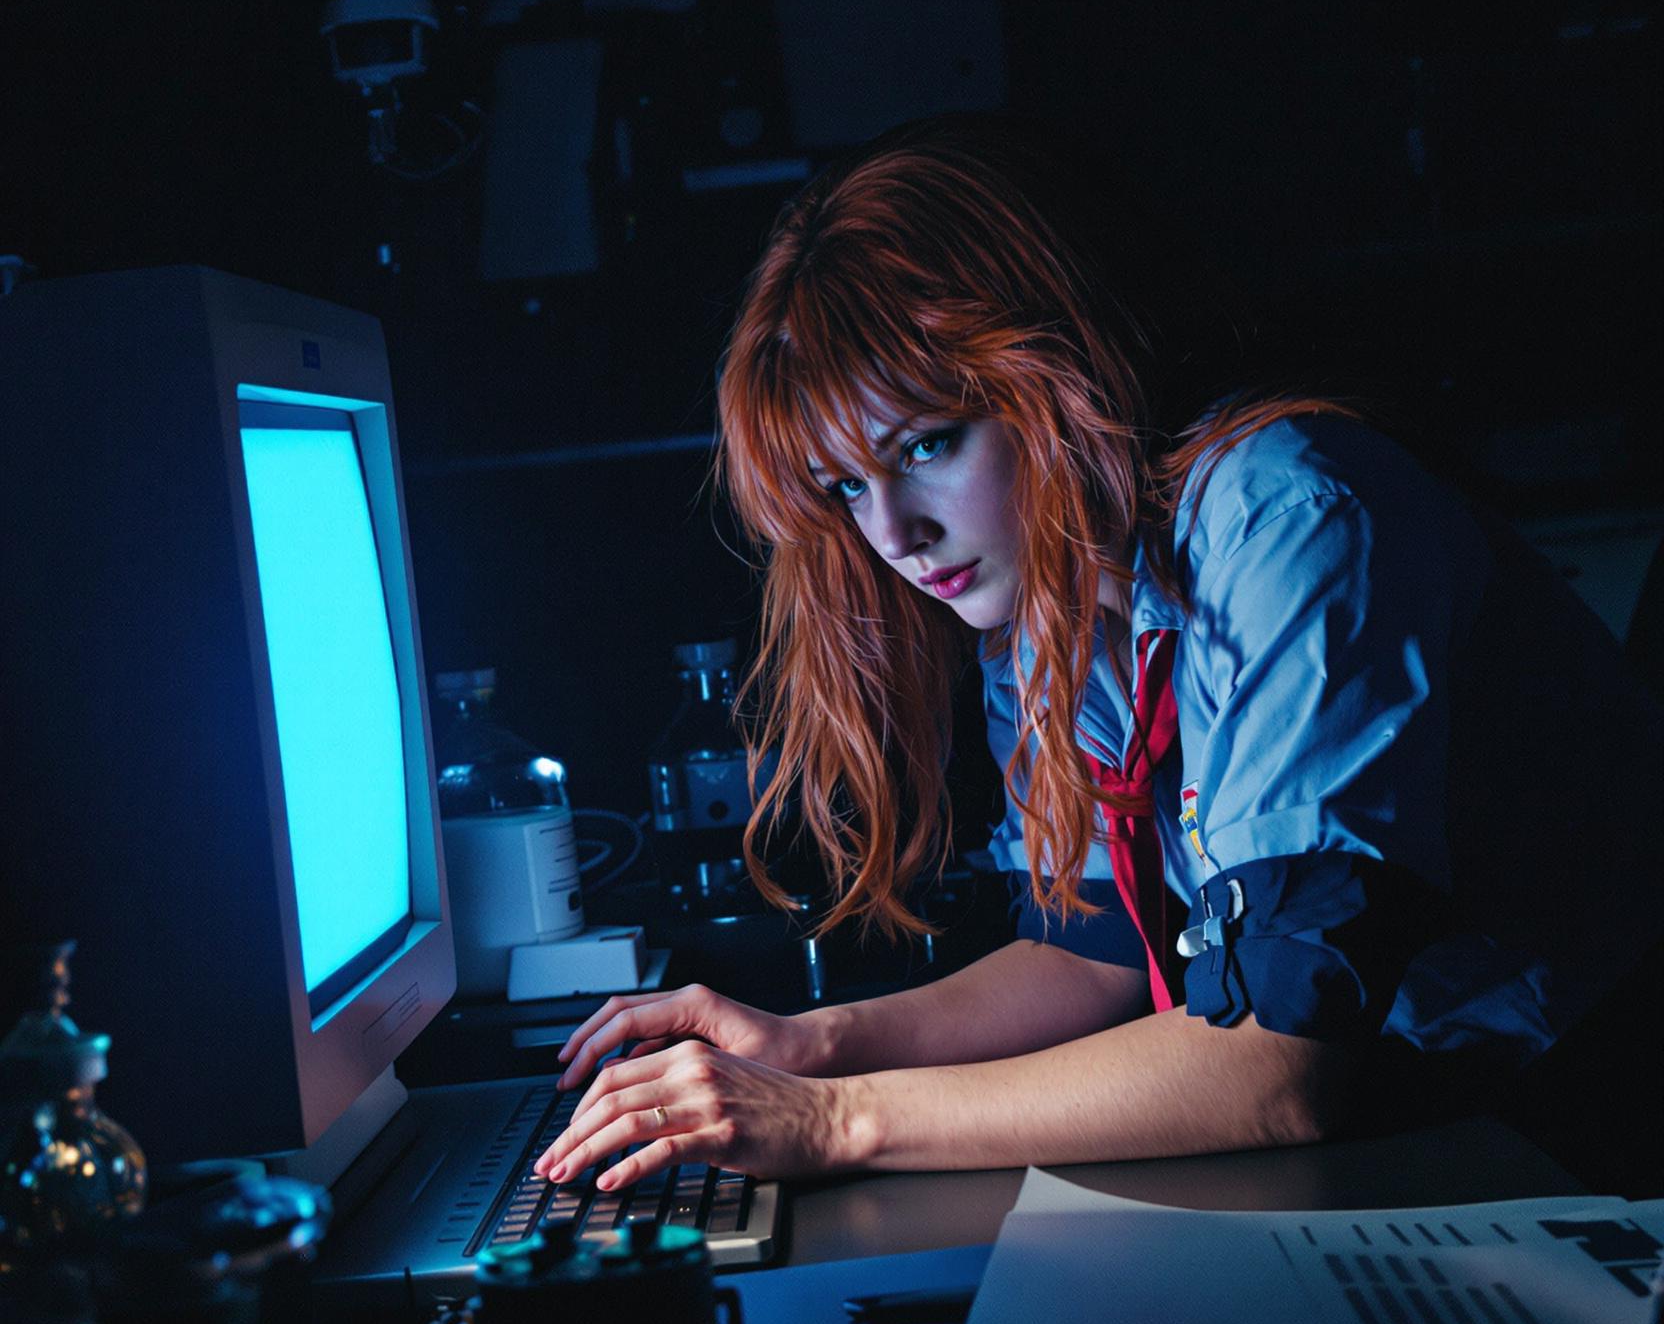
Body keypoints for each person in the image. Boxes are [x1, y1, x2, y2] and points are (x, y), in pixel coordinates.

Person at [535, 113, 1664, 1200]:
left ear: (1055, 371)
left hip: (1584, 1117)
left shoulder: (1294, 516)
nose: (892, 536)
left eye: (926, 444)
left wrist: (834, 1122)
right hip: (1425, 1118)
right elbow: (1094, 953)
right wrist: (810, 1047)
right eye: (844, 489)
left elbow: (1279, 1061)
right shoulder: (1047, 583)